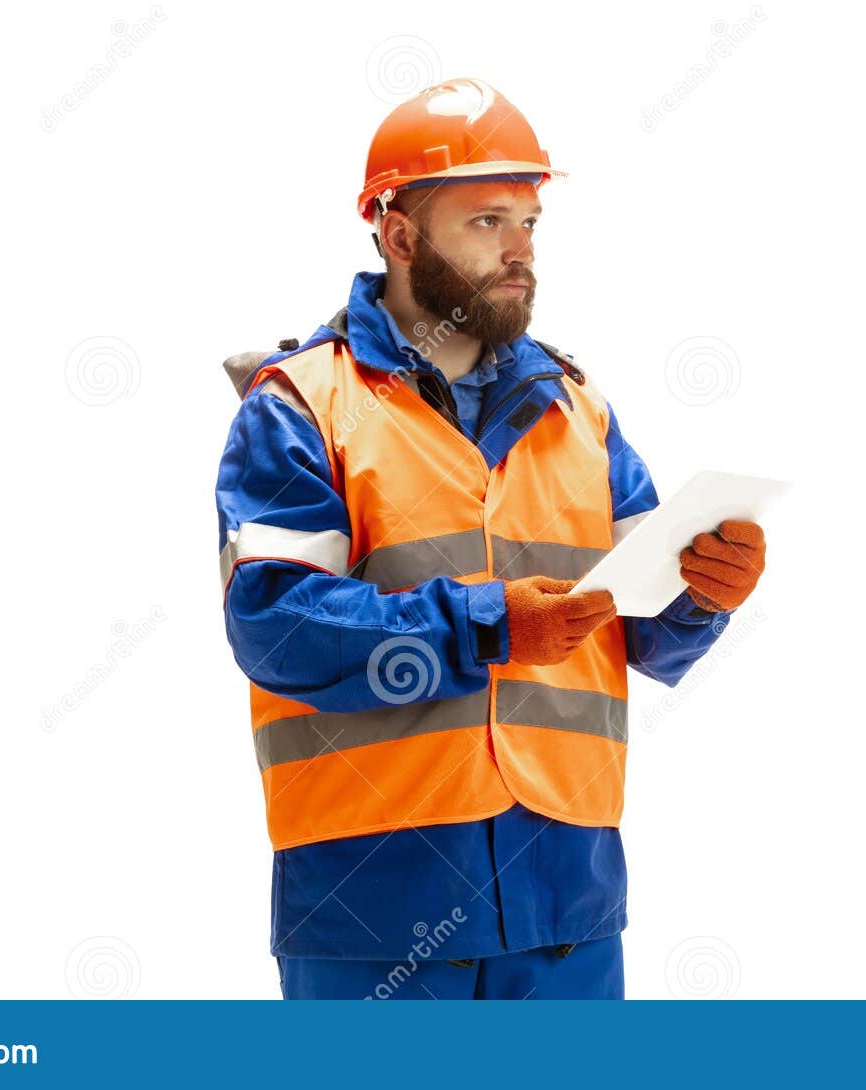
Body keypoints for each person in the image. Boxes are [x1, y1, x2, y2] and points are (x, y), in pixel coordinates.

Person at [213, 78, 769, 1000]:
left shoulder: (578, 411)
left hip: (567, 901)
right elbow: (274, 625)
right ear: (396, 234)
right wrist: (487, 626)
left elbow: (643, 626)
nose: (519, 250)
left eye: (530, 222)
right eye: (486, 221)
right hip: (373, 902)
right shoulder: (303, 408)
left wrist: (705, 590)